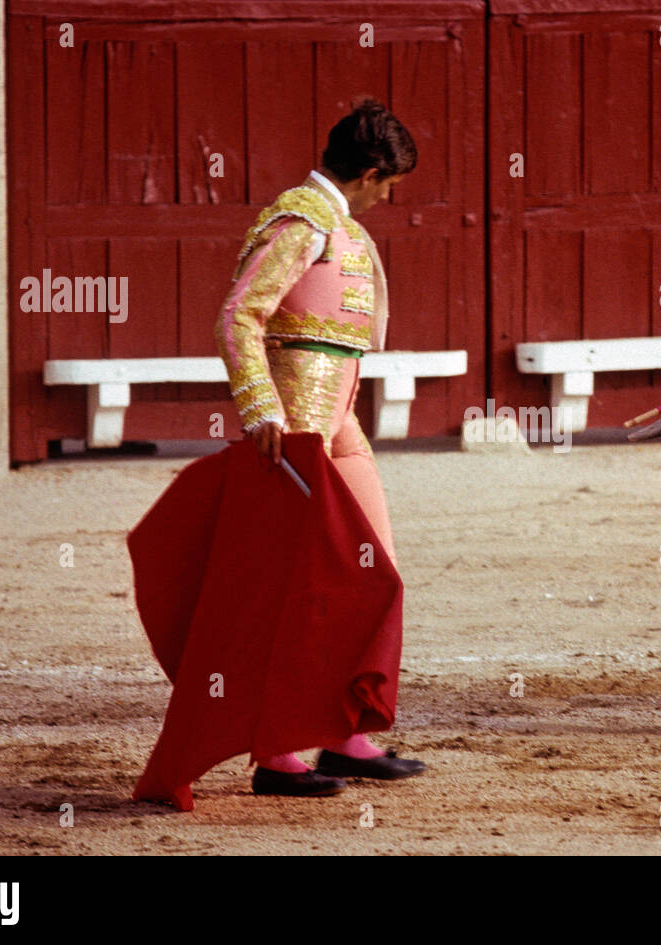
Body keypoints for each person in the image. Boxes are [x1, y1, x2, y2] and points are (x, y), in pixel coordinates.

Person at [215, 100, 426, 797]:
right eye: (388, 185)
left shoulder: (335, 224)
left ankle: (342, 734)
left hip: (339, 417)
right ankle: (277, 753)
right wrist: (259, 408)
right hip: (295, 423)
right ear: (369, 172)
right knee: (302, 587)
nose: (387, 197)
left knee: (374, 567)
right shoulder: (303, 223)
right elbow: (240, 313)